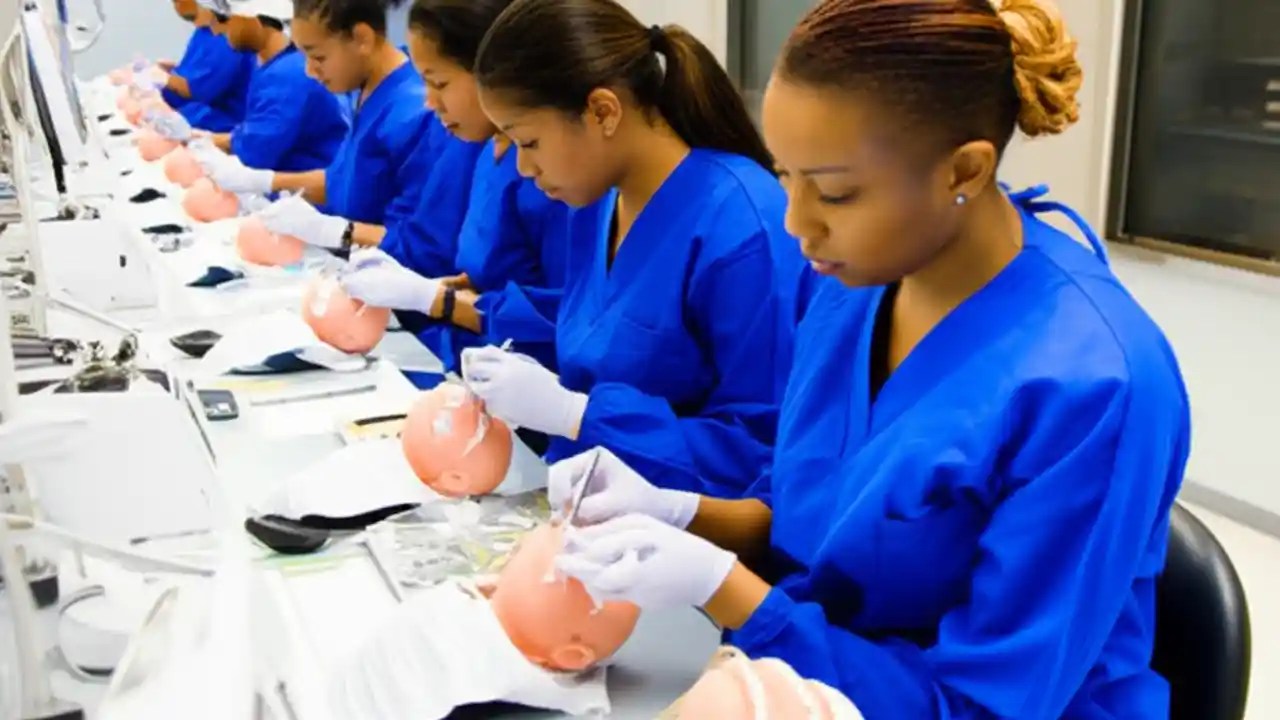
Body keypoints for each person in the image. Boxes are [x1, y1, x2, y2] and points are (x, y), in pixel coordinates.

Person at [549, 1, 1191, 719]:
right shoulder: (856, 285)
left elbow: (983, 703)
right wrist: (680, 513)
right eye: (785, 178)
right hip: (813, 669)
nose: (796, 225)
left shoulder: (1094, 381)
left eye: (834, 192)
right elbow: (813, 519)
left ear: (967, 169)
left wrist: (724, 586)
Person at [459, 0, 806, 498]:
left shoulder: (740, 228)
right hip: (584, 502)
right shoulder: (601, 202)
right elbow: (609, 320)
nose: (521, 168)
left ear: (602, 111)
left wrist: (579, 414)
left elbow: (757, 451)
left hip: (679, 539)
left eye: (528, 141)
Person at [336, 0, 573, 375]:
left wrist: (439, 300)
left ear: (492, 71)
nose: (430, 102)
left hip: (520, 381)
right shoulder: (486, 151)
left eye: (439, 83)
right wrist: (440, 287)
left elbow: (564, 321)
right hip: (466, 357)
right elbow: (486, 270)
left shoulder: (555, 179)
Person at [202, 0, 432, 248]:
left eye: (318, 57)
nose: (310, 71)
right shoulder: (361, 88)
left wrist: (338, 232)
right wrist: (265, 181)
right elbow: (344, 181)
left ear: (361, 38)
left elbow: (422, 244)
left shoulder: (412, 113)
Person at [198, 0, 350, 174]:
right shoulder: (278, 64)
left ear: (257, 21)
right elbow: (255, 133)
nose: (218, 27)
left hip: (301, 194)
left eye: (225, 17)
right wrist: (204, 139)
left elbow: (255, 155)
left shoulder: (287, 75)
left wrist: (201, 151)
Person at [143, 0, 256, 133]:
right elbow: (195, 72)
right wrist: (170, 71)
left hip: (226, 120)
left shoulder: (228, 40)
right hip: (204, 107)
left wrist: (165, 79)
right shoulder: (204, 31)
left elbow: (199, 90)